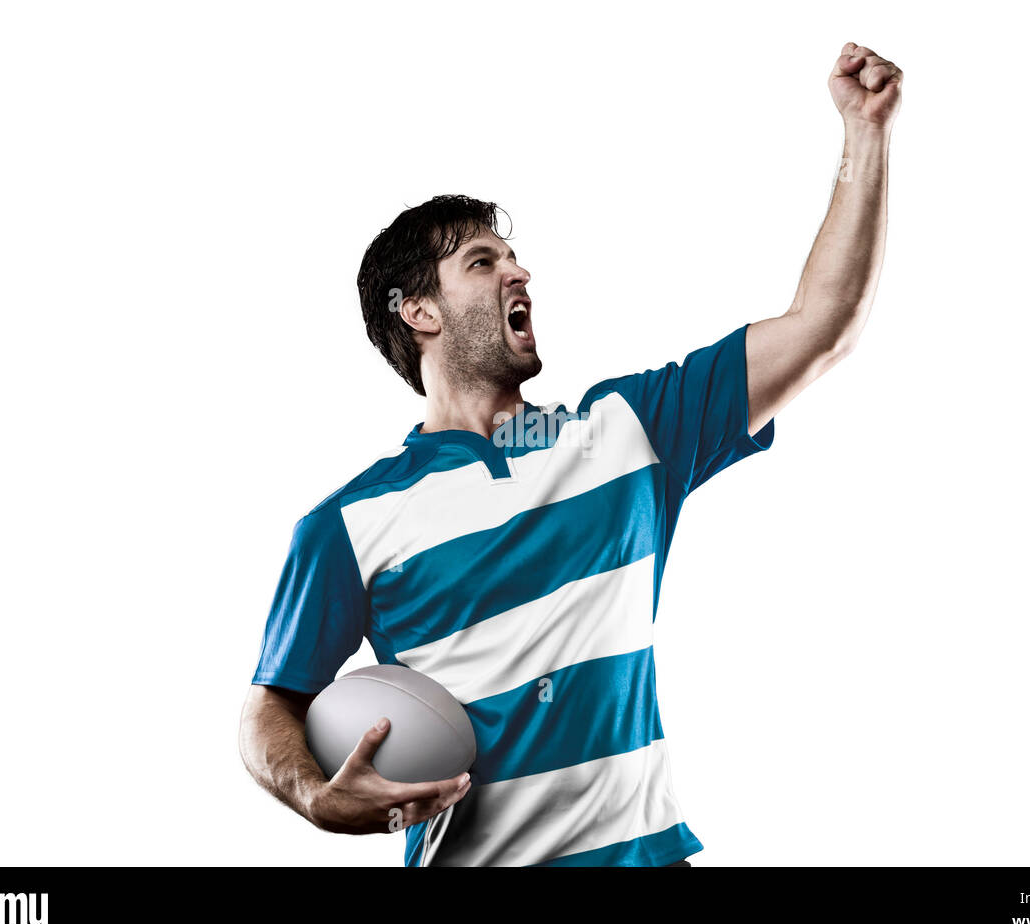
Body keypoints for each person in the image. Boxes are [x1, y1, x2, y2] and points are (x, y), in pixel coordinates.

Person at [239, 42, 902, 866]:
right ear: (419, 314)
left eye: (512, 255)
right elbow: (271, 705)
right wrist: (312, 794)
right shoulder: (348, 522)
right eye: (483, 262)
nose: (520, 271)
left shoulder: (628, 429)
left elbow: (820, 327)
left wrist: (864, 135)